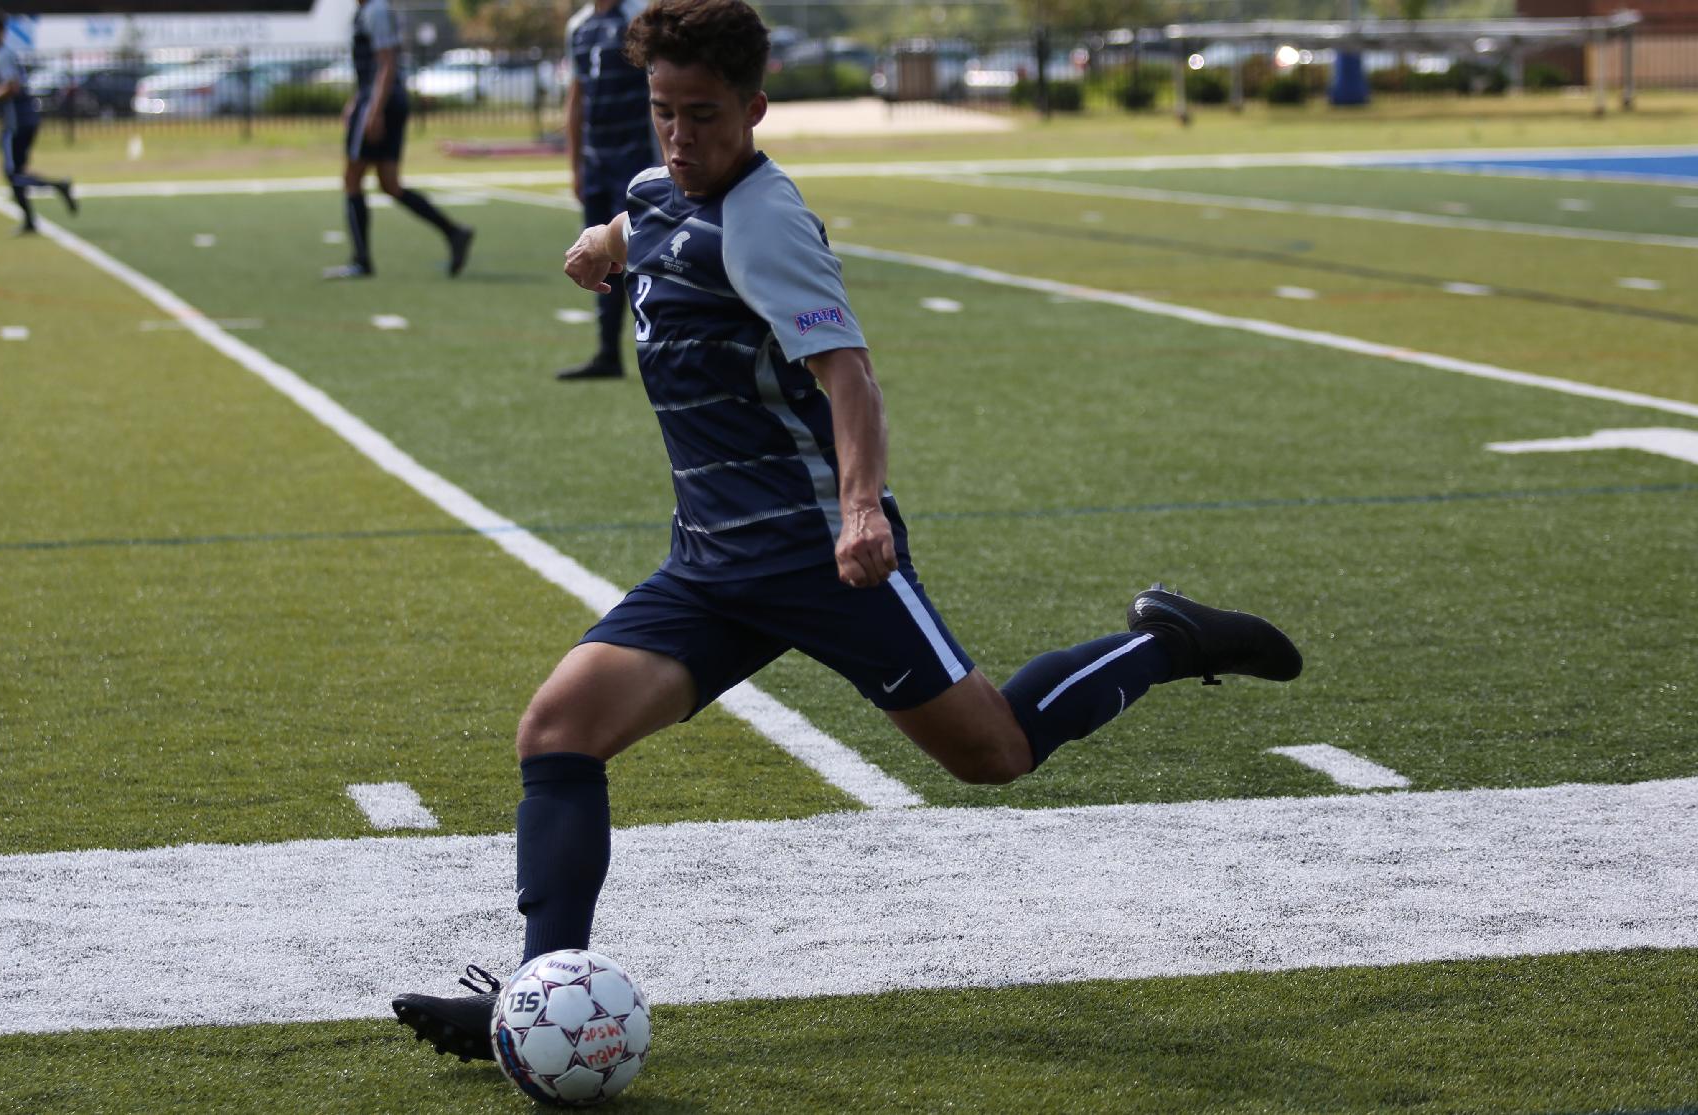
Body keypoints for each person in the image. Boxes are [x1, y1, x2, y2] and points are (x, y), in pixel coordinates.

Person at [390, 0, 1301, 1061]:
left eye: (704, 117)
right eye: (662, 114)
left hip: (822, 554)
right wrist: (601, 241)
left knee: (993, 754)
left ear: (755, 109)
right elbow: (646, 221)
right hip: (711, 563)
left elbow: (847, 374)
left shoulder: (766, 220)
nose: (680, 139)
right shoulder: (657, 192)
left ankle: (1168, 638)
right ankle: (533, 996)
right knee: (557, 732)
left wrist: (862, 509)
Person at [323, 0, 474, 280]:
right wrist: (358, 101)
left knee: (352, 179)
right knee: (390, 183)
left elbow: (387, 62)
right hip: (383, 101)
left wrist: (374, 110)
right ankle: (454, 232)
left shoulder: (375, 10)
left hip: (381, 103)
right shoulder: (367, 11)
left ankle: (361, 261)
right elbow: (372, 68)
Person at [553, 0, 659, 380]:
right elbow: (576, 97)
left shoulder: (639, 17)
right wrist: (576, 166)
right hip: (597, 163)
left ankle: (662, 351)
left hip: (637, 162)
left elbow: (658, 86)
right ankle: (607, 354)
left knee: (646, 258)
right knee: (602, 261)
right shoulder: (579, 26)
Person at [0, 9, 75, 236]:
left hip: (16, 124)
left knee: (13, 174)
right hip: (22, 121)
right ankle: (30, 220)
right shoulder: (3, 55)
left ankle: (58, 186)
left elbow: (12, 87)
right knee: (17, 173)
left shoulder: (3, 56)